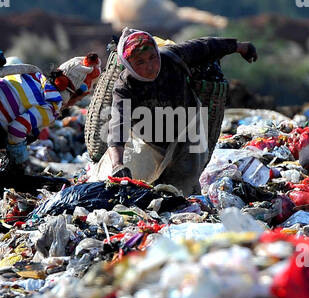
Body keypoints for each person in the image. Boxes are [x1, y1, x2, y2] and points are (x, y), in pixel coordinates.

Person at [103, 28, 258, 193]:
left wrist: (241, 47)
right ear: (129, 65)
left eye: (152, 57)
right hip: (149, 139)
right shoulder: (125, 86)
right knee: (144, 184)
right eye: (140, 62)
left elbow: (207, 46)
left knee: (183, 183)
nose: (150, 66)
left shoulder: (172, 57)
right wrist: (117, 165)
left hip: (187, 128)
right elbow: (118, 126)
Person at [0, 55, 98, 194]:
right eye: (78, 99)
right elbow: (17, 128)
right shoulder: (51, 105)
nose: (74, 104)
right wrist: (19, 161)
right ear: (73, 94)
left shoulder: (35, 77)